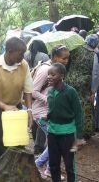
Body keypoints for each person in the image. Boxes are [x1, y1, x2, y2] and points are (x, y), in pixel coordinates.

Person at [0, 36, 33, 164]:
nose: (23, 57)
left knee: (16, 140)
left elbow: (28, 89)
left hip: (14, 108)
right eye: (20, 54)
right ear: (9, 52)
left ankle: (14, 168)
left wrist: (29, 109)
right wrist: (3, 106)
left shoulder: (23, 65)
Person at [31, 44, 71, 177]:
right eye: (63, 58)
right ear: (54, 57)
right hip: (40, 113)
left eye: (67, 58)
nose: (66, 61)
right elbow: (34, 91)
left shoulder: (57, 71)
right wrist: (49, 100)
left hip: (50, 112)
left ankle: (49, 168)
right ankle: (39, 164)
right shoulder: (45, 70)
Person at [45, 63, 84, 182]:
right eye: (48, 74)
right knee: (53, 163)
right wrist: (47, 116)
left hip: (67, 134)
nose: (49, 77)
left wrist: (79, 137)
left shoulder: (70, 92)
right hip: (52, 132)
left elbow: (79, 113)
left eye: (53, 74)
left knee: (69, 165)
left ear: (61, 76)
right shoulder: (50, 91)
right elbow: (53, 109)